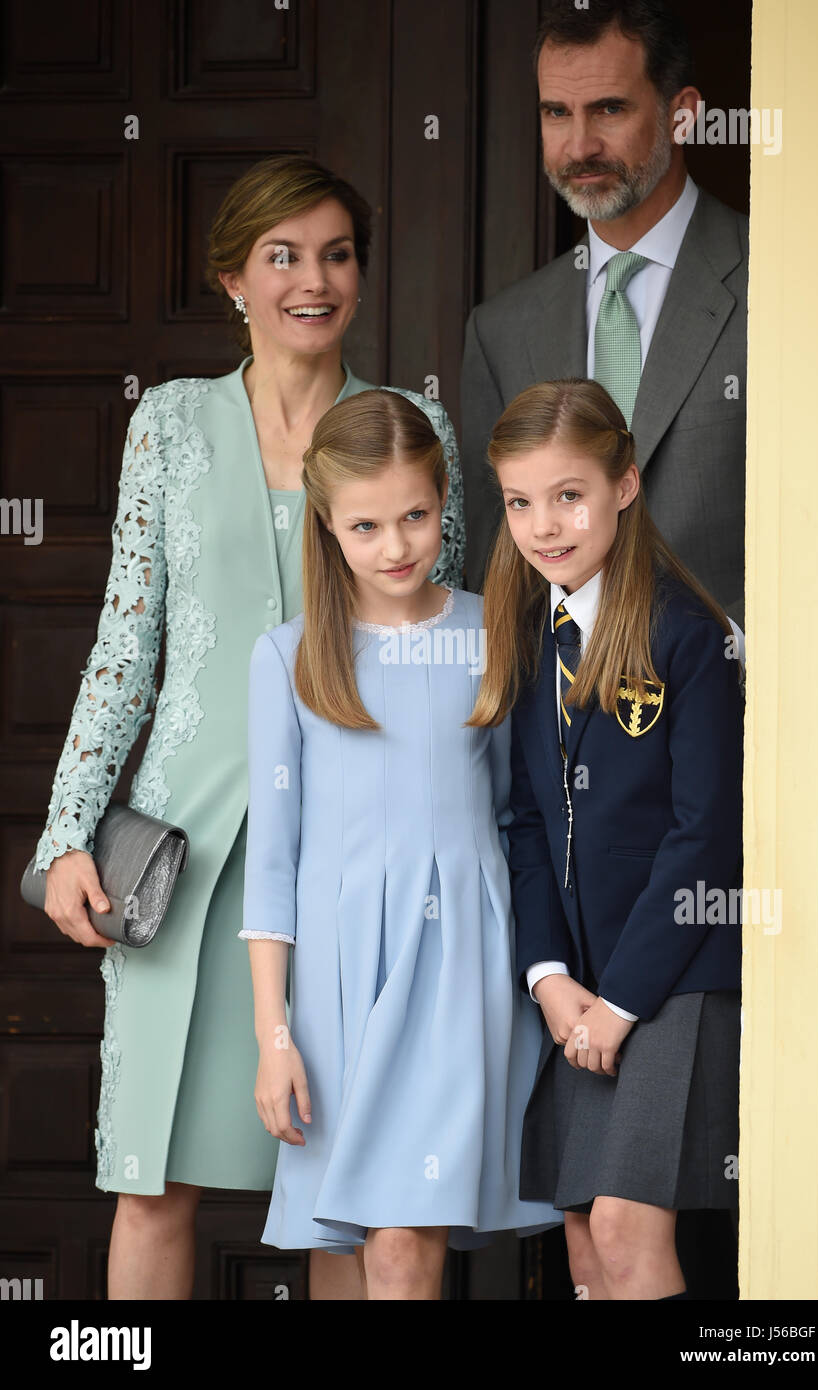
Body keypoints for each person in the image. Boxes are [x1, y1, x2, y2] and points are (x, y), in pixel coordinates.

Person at [33, 154, 464, 1301]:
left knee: (343, 1195)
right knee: (150, 1178)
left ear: (361, 276)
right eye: (282, 255)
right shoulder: (170, 427)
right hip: (184, 851)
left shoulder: (410, 428)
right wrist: (68, 831)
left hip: (349, 863)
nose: (310, 280)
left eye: (334, 254)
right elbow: (126, 644)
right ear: (233, 277)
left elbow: (433, 644)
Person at [240, 388, 559, 1298]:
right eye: (366, 526)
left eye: (416, 516)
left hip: (461, 966)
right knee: (377, 1246)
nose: (396, 547)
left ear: (446, 496)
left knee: (405, 1242)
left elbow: (517, 817)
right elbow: (273, 865)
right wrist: (274, 1035)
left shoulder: (494, 632)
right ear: (327, 525)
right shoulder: (289, 659)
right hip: (343, 987)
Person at [467, 377, 743, 1299]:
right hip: (576, 985)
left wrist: (617, 1002)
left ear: (624, 484)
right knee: (583, 1239)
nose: (544, 525)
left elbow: (705, 835)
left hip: (668, 979)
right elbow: (528, 826)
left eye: (569, 495)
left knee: (625, 1230)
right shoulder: (523, 632)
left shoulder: (684, 634)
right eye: (519, 502)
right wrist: (548, 981)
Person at [461, 0, 747, 631]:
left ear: (684, 114)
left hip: (739, 703)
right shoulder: (501, 328)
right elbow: (491, 563)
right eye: (556, 113)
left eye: (609, 109)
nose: (580, 145)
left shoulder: (780, 285)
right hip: (560, 711)